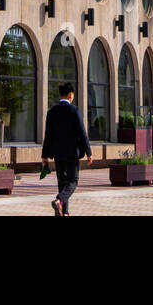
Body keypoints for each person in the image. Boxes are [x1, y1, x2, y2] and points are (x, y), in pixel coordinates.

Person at [42, 82, 92, 217]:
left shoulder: (52, 111)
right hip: (72, 153)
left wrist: (44, 155)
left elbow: (48, 135)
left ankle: (64, 212)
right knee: (73, 181)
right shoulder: (75, 111)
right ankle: (59, 200)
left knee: (62, 182)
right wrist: (89, 152)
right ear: (71, 95)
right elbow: (82, 133)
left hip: (57, 153)